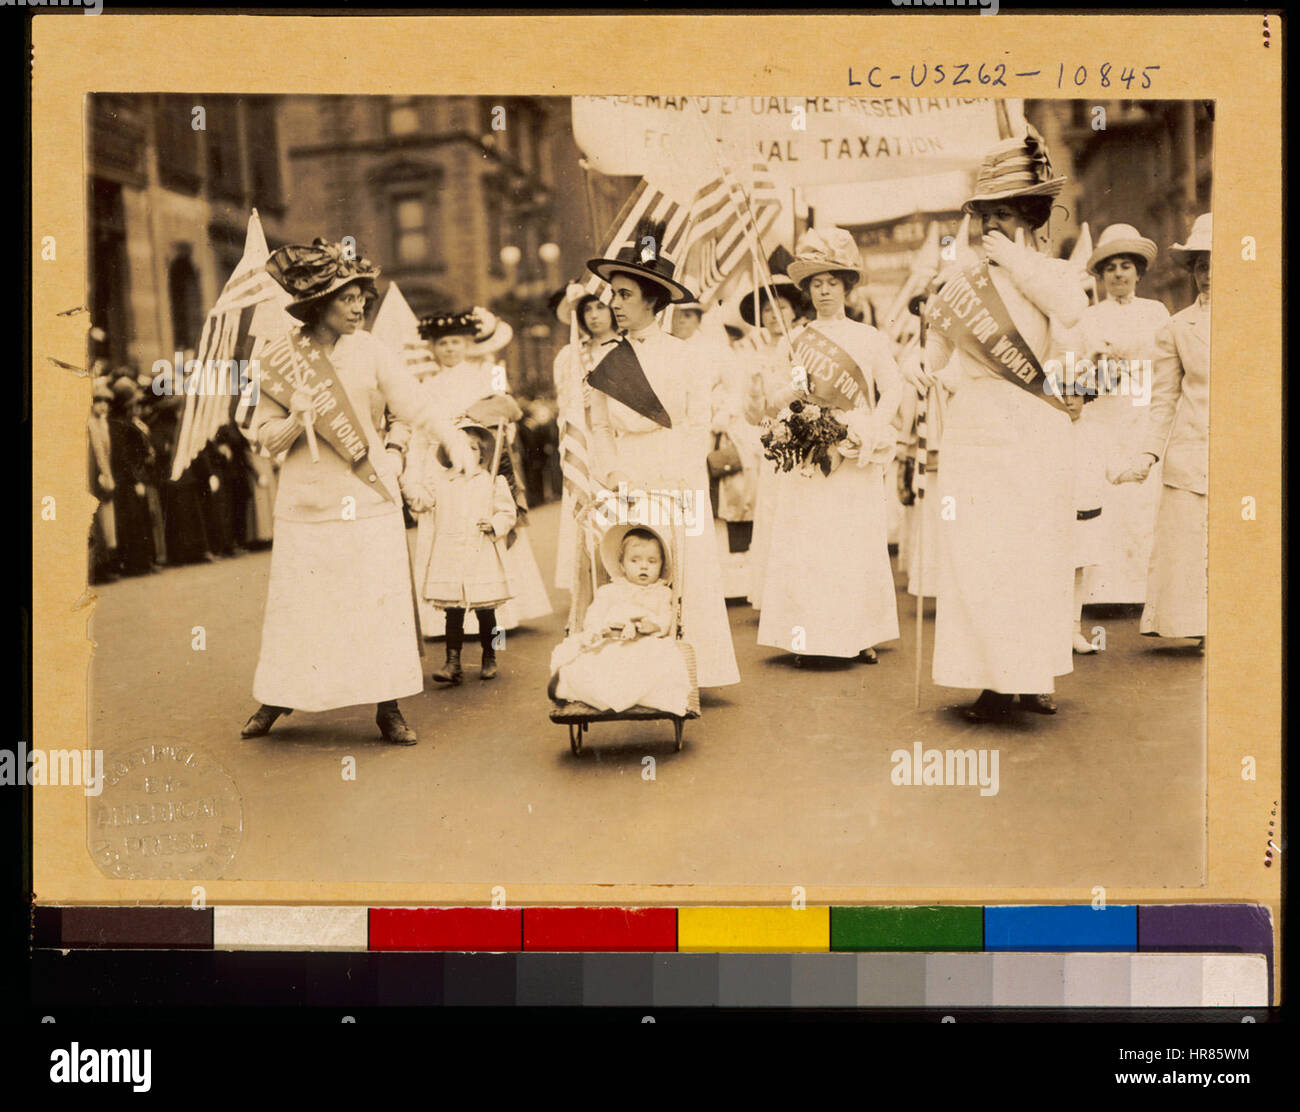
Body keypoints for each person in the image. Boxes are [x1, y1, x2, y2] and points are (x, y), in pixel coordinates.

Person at [241, 238, 473, 745]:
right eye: (348, 298)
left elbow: (413, 403)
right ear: (318, 304)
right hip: (306, 501)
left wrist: (452, 437)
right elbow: (263, 437)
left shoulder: (370, 349)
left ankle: (387, 705)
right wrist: (291, 417)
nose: (359, 305)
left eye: (362, 296)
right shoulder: (282, 358)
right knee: (301, 605)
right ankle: (279, 695)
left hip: (368, 498)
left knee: (377, 603)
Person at [906, 127, 1087, 721]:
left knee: (1034, 554)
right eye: (986, 216)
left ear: (1031, 216)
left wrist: (1016, 260)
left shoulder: (1053, 274)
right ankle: (987, 678)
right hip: (977, 431)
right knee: (980, 554)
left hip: (1035, 430)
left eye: (1004, 214)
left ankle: (1032, 674)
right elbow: (936, 360)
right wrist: (919, 364)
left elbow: (1072, 310)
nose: (992, 227)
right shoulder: (960, 286)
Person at [584, 220, 741, 689]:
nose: (614, 304)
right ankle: (635, 678)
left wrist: (677, 477)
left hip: (678, 475)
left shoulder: (689, 356)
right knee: (633, 569)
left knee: (683, 570)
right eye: (612, 294)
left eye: (625, 294)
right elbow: (597, 426)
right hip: (625, 474)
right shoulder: (603, 361)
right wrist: (611, 474)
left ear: (653, 300)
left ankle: (689, 672)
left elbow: (696, 423)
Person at [755, 228, 902, 663]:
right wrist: (792, 392)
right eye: (815, 284)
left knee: (854, 543)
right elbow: (772, 399)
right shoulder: (793, 340)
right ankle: (807, 638)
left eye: (831, 283)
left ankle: (861, 635)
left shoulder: (869, 337)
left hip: (854, 452)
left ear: (846, 286)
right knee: (809, 545)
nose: (823, 291)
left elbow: (891, 390)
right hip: (807, 454)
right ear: (806, 290)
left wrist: (870, 430)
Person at [402, 310, 552, 637]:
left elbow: (506, 415)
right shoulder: (426, 385)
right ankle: (446, 617)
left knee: (482, 527)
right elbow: (418, 430)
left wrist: (487, 439)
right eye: (443, 344)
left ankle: (496, 613)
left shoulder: (486, 374)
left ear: (467, 343)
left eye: (456, 342)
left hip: (478, 458)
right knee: (445, 533)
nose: (450, 350)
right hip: (438, 463)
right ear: (433, 348)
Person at [1112, 213, 1211, 650]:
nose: (1209, 273)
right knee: (1192, 548)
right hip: (1192, 451)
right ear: (1191, 272)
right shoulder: (1176, 327)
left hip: (1250, 453)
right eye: (1201, 264)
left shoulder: (1263, 316)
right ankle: (1207, 626)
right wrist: (1148, 455)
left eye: (1216, 261)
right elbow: (1164, 399)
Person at [1073, 223, 1172, 619]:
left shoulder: (1156, 312)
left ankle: (1141, 589)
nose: (1118, 274)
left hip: (1142, 411)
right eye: (1110, 267)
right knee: (1106, 500)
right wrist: (1095, 364)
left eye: (1125, 266)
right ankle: (1101, 592)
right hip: (1103, 414)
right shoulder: (1088, 317)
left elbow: (1165, 365)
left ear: (1138, 272)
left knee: (1142, 502)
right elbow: (1077, 374)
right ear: (1101, 275)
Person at [403, 421, 516, 683]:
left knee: (487, 610)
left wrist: (495, 524)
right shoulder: (440, 482)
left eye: (473, 448)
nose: (466, 453)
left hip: (481, 552)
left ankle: (492, 654)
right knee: (453, 611)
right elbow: (422, 502)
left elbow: (507, 512)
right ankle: (452, 661)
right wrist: (409, 485)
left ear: (481, 454)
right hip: (451, 554)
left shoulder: (491, 481)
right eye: (460, 448)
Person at [549, 522, 690, 715]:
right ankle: (578, 686)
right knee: (596, 662)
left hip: (645, 642)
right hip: (611, 641)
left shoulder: (662, 593)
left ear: (661, 565)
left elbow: (667, 618)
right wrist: (597, 630)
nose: (643, 566)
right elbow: (595, 614)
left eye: (652, 561)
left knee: (658, 660)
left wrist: (655, 626)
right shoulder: (610, 591)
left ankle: (626, 695)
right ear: (622, 565)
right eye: (635, 561)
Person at [737, 274, 807, 610]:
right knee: (772, 512)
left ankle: (801, 593)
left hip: (804, 437)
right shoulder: (751, 352)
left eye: (780, 307)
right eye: (766, 310)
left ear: (794, 311)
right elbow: (752, 412)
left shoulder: (804, 342)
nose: (773, 315)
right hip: (772, 440)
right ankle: (776, 597)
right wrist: (753, 389)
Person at [552, 289, 621, 590]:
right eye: (587, 310)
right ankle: (590, 589)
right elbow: (562, 402)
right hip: (586, 442)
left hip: (618, 437)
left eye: (600, 307)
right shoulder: (571, 354)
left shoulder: (625, 348)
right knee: (589, 509)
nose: (593, 315)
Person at [107, 378, 159, 576]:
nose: (136, 408)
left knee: (141, 520)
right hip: (128, 482)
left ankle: (144, 561)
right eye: (132, 404)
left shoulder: (128, 424)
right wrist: (137, 479)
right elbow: (125, 458)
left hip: (136, 478)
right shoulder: (119, 426)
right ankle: (136, 564)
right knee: (132, 522)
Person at [87, 378, 118, 584]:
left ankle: (106, 565)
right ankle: (97, 568)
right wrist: (99, 473)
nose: (103, 405)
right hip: (92, 477)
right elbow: (94, 454)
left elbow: (106, 453)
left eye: (106, 402)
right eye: (99, 401)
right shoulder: (89, 423)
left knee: (107, 523)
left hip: (104, 475)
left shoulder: (102, 423)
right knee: (95, 523)